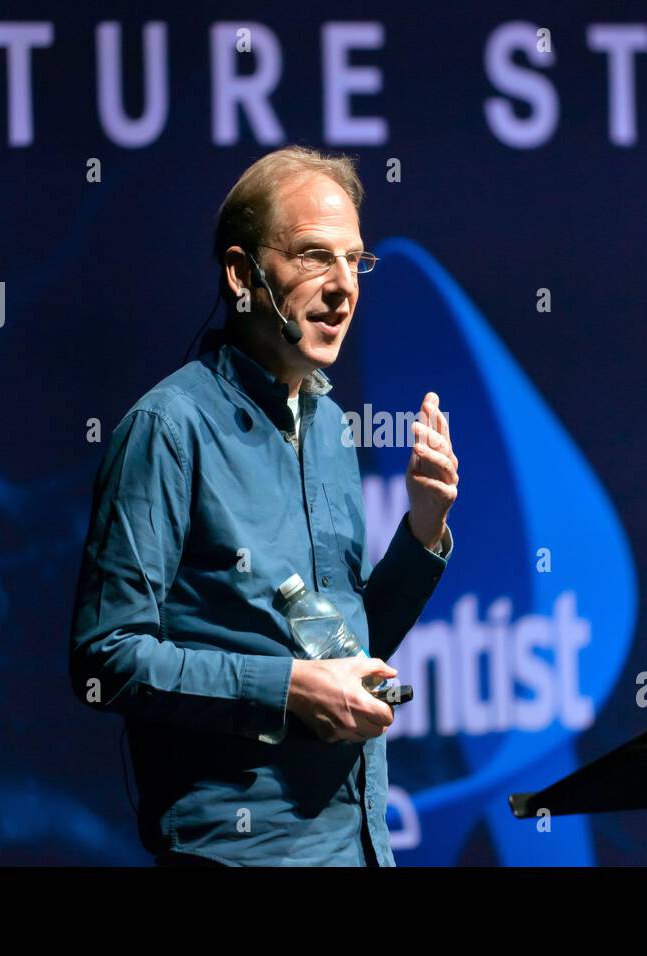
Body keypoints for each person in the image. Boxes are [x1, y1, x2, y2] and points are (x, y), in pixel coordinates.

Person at [69, 146, 460, 866]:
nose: (343, 287)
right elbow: (107, 659)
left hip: (358, 847)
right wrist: (287, 690)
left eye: (355, 261)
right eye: (314, 257)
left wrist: (424, 528)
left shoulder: (330, 427)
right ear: (241, 274)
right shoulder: (168, 428)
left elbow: (344, 648)